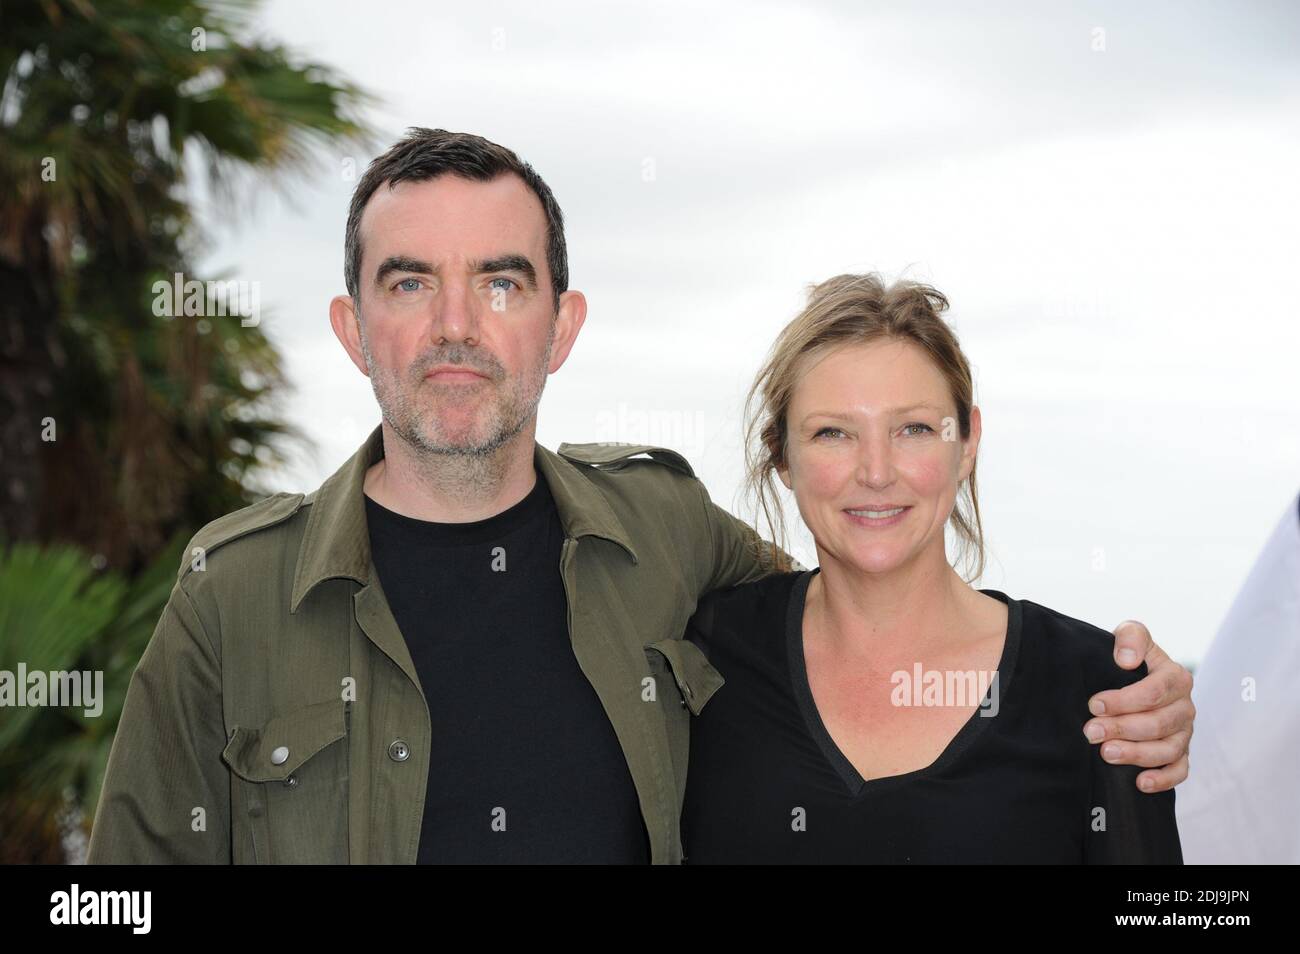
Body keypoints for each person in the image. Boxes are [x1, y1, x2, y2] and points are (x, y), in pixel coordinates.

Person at [87, 130, 1193, 864]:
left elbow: (872, 593)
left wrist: (1131, 689)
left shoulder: (661, 541)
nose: (456, 325)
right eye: (410, 281)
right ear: (351, 327)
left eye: (502, 281)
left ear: (562, 327)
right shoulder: (229, 599)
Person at [681, 273, 1183, 863]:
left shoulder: (1099, 691)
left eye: (914, 429)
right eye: (832, 433)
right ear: (782, 456)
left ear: (967, 444)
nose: (875, 471)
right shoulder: (705, 657)